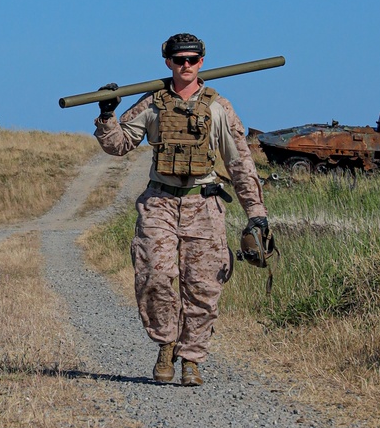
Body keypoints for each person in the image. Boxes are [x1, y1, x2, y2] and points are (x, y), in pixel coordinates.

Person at [94, 33, 270, 386]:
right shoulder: (152, 104)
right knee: (155, 275)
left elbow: (240, 163)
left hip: (203, 204)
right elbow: (118, 145)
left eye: (192, 59)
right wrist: (107, 114)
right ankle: (165, 343)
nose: (185, 65)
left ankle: (191, 358)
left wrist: (256, 212)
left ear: (202, 61)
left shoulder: (218, 107)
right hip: (159, 201)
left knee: (203, 286)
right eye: (179, 60)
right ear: (168, 63)